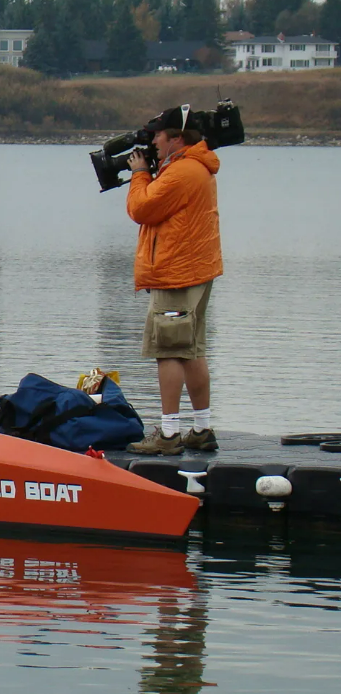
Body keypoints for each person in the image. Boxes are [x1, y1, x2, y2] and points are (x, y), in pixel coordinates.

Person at [124, 104, 223, 455]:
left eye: (158, 136)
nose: (152, 142)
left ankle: (168, 435)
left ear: (177, 138)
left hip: (176, 275)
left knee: (168, 351)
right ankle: (201, 428)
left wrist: (139, 174)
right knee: (192, 350)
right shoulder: (194, 166)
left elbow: (141, 208)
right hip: (196, 270)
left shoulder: (182, 172)